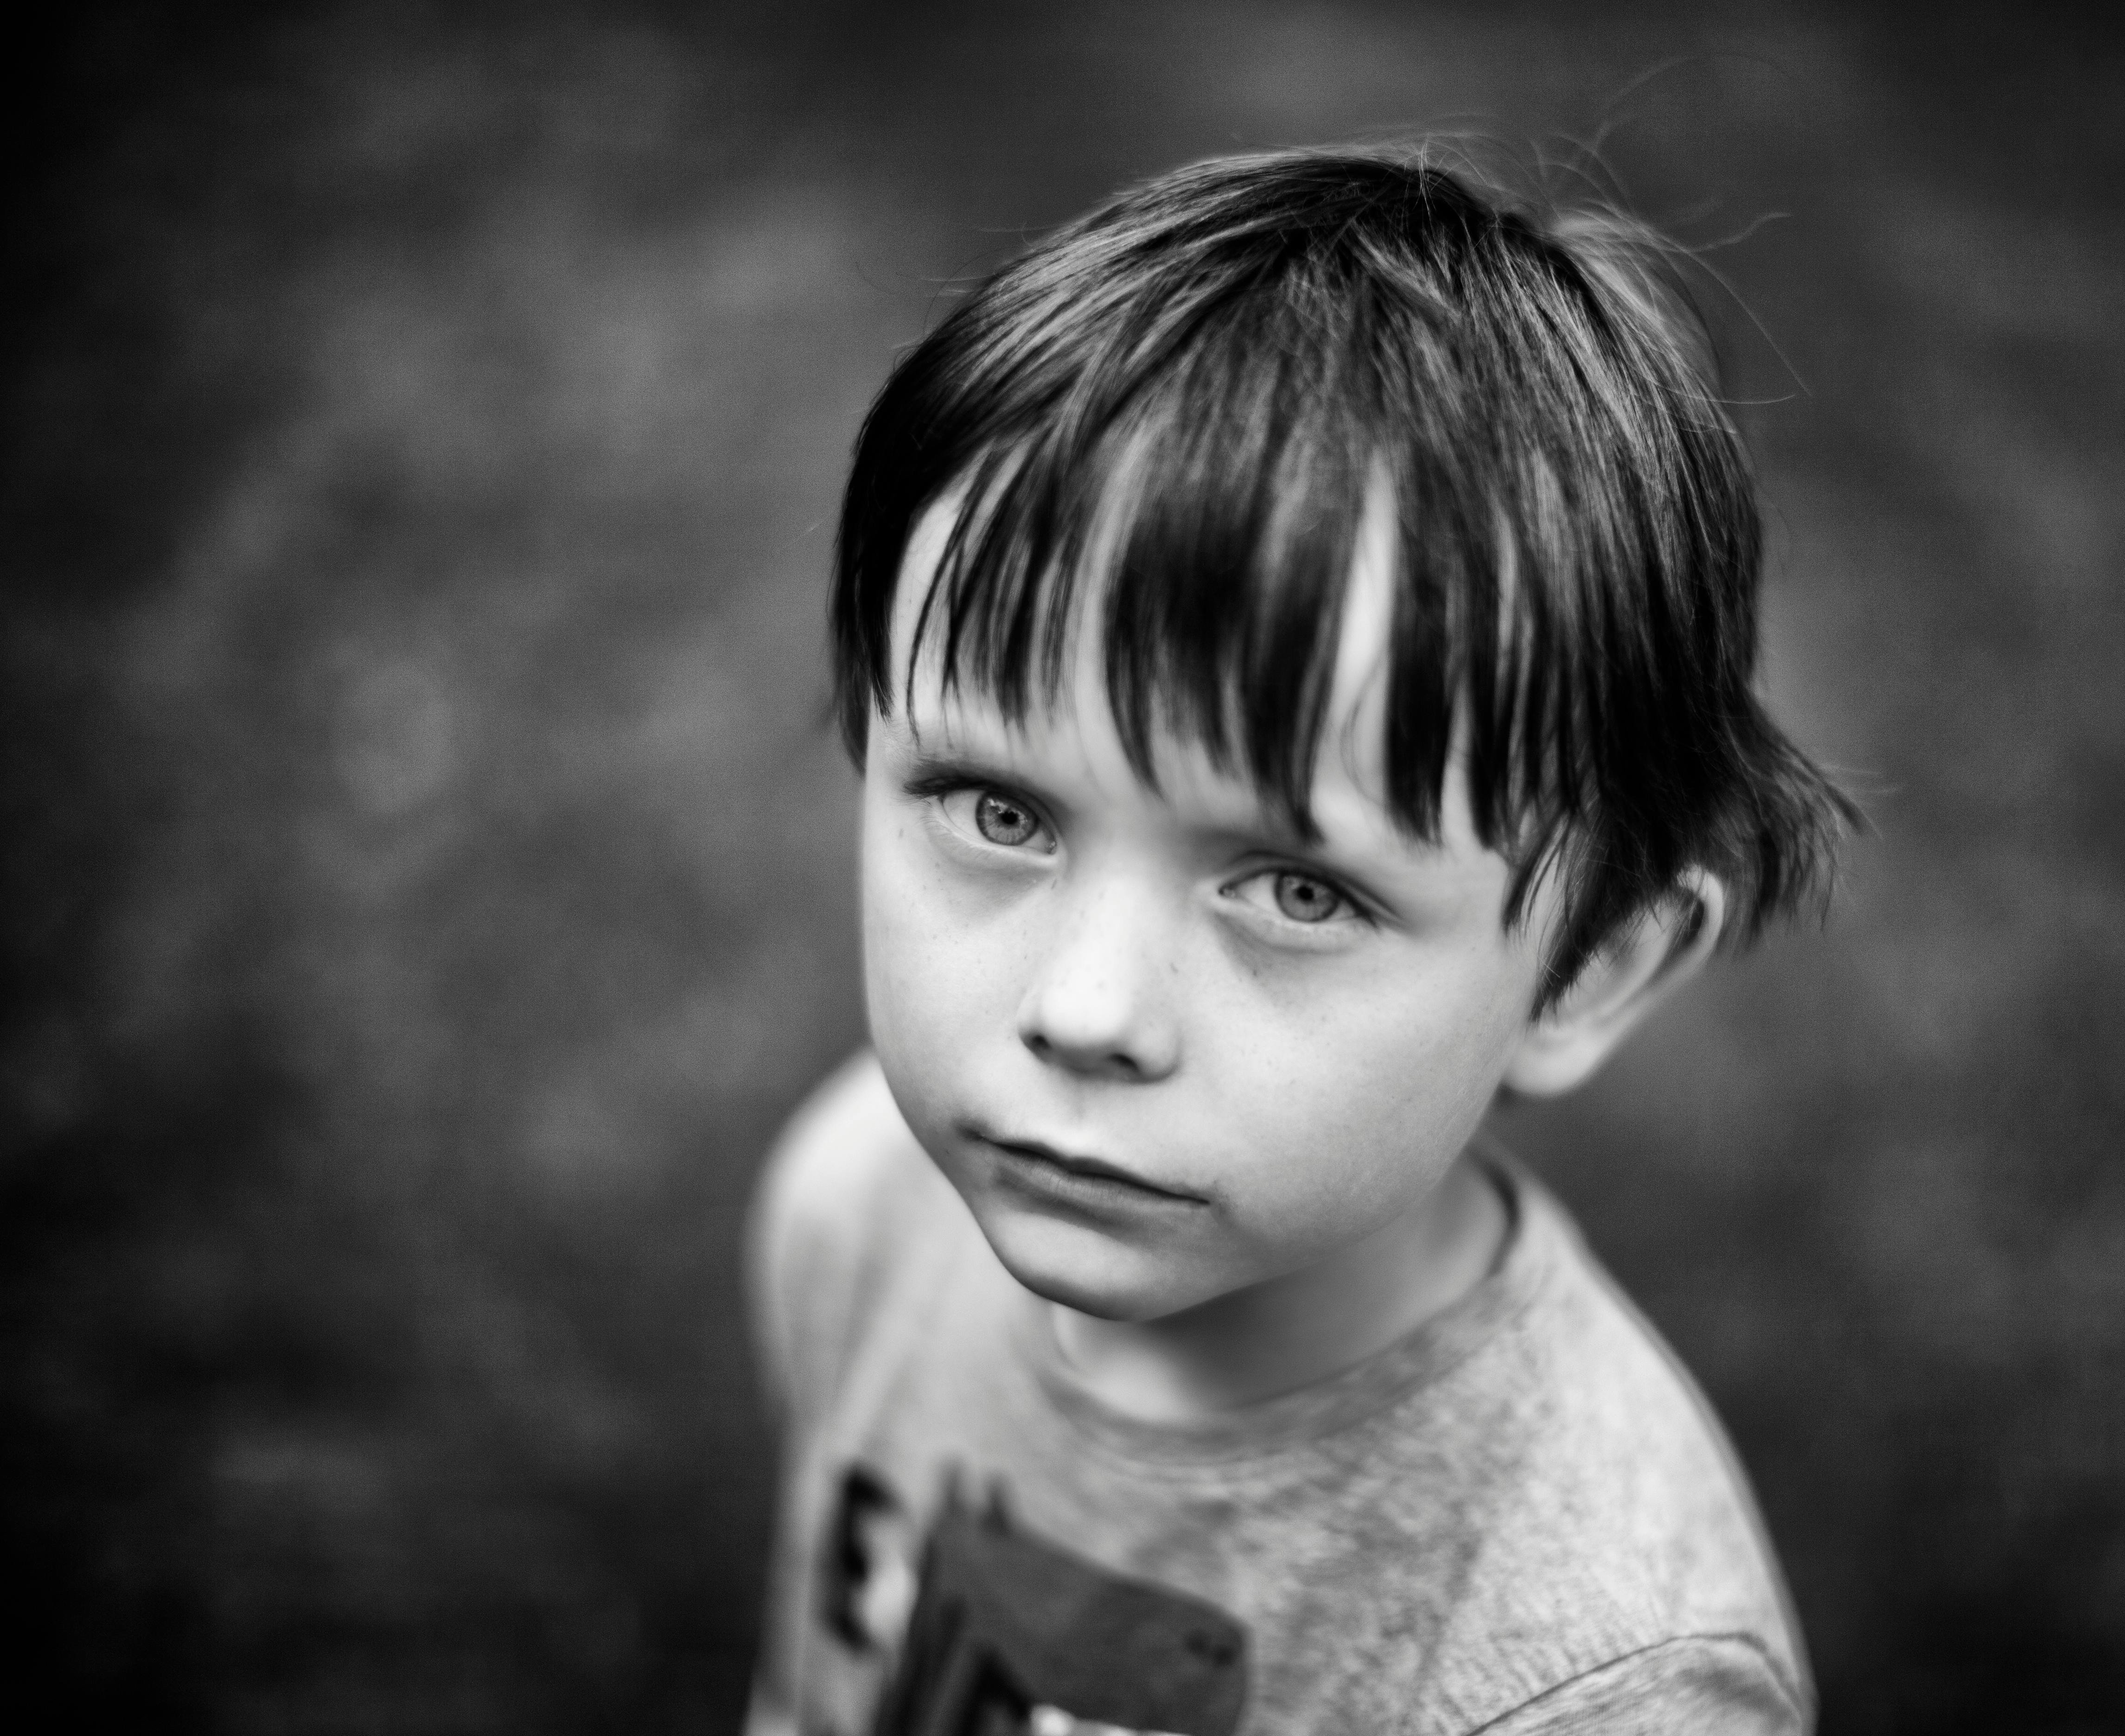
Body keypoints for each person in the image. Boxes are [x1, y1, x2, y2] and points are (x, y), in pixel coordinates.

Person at [745, 147, 1852, 1736]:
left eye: (1300, 890)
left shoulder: (1598, 1680)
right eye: (999, 810)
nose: (1087, 1013)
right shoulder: (858, 1203)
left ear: (1592, 965)